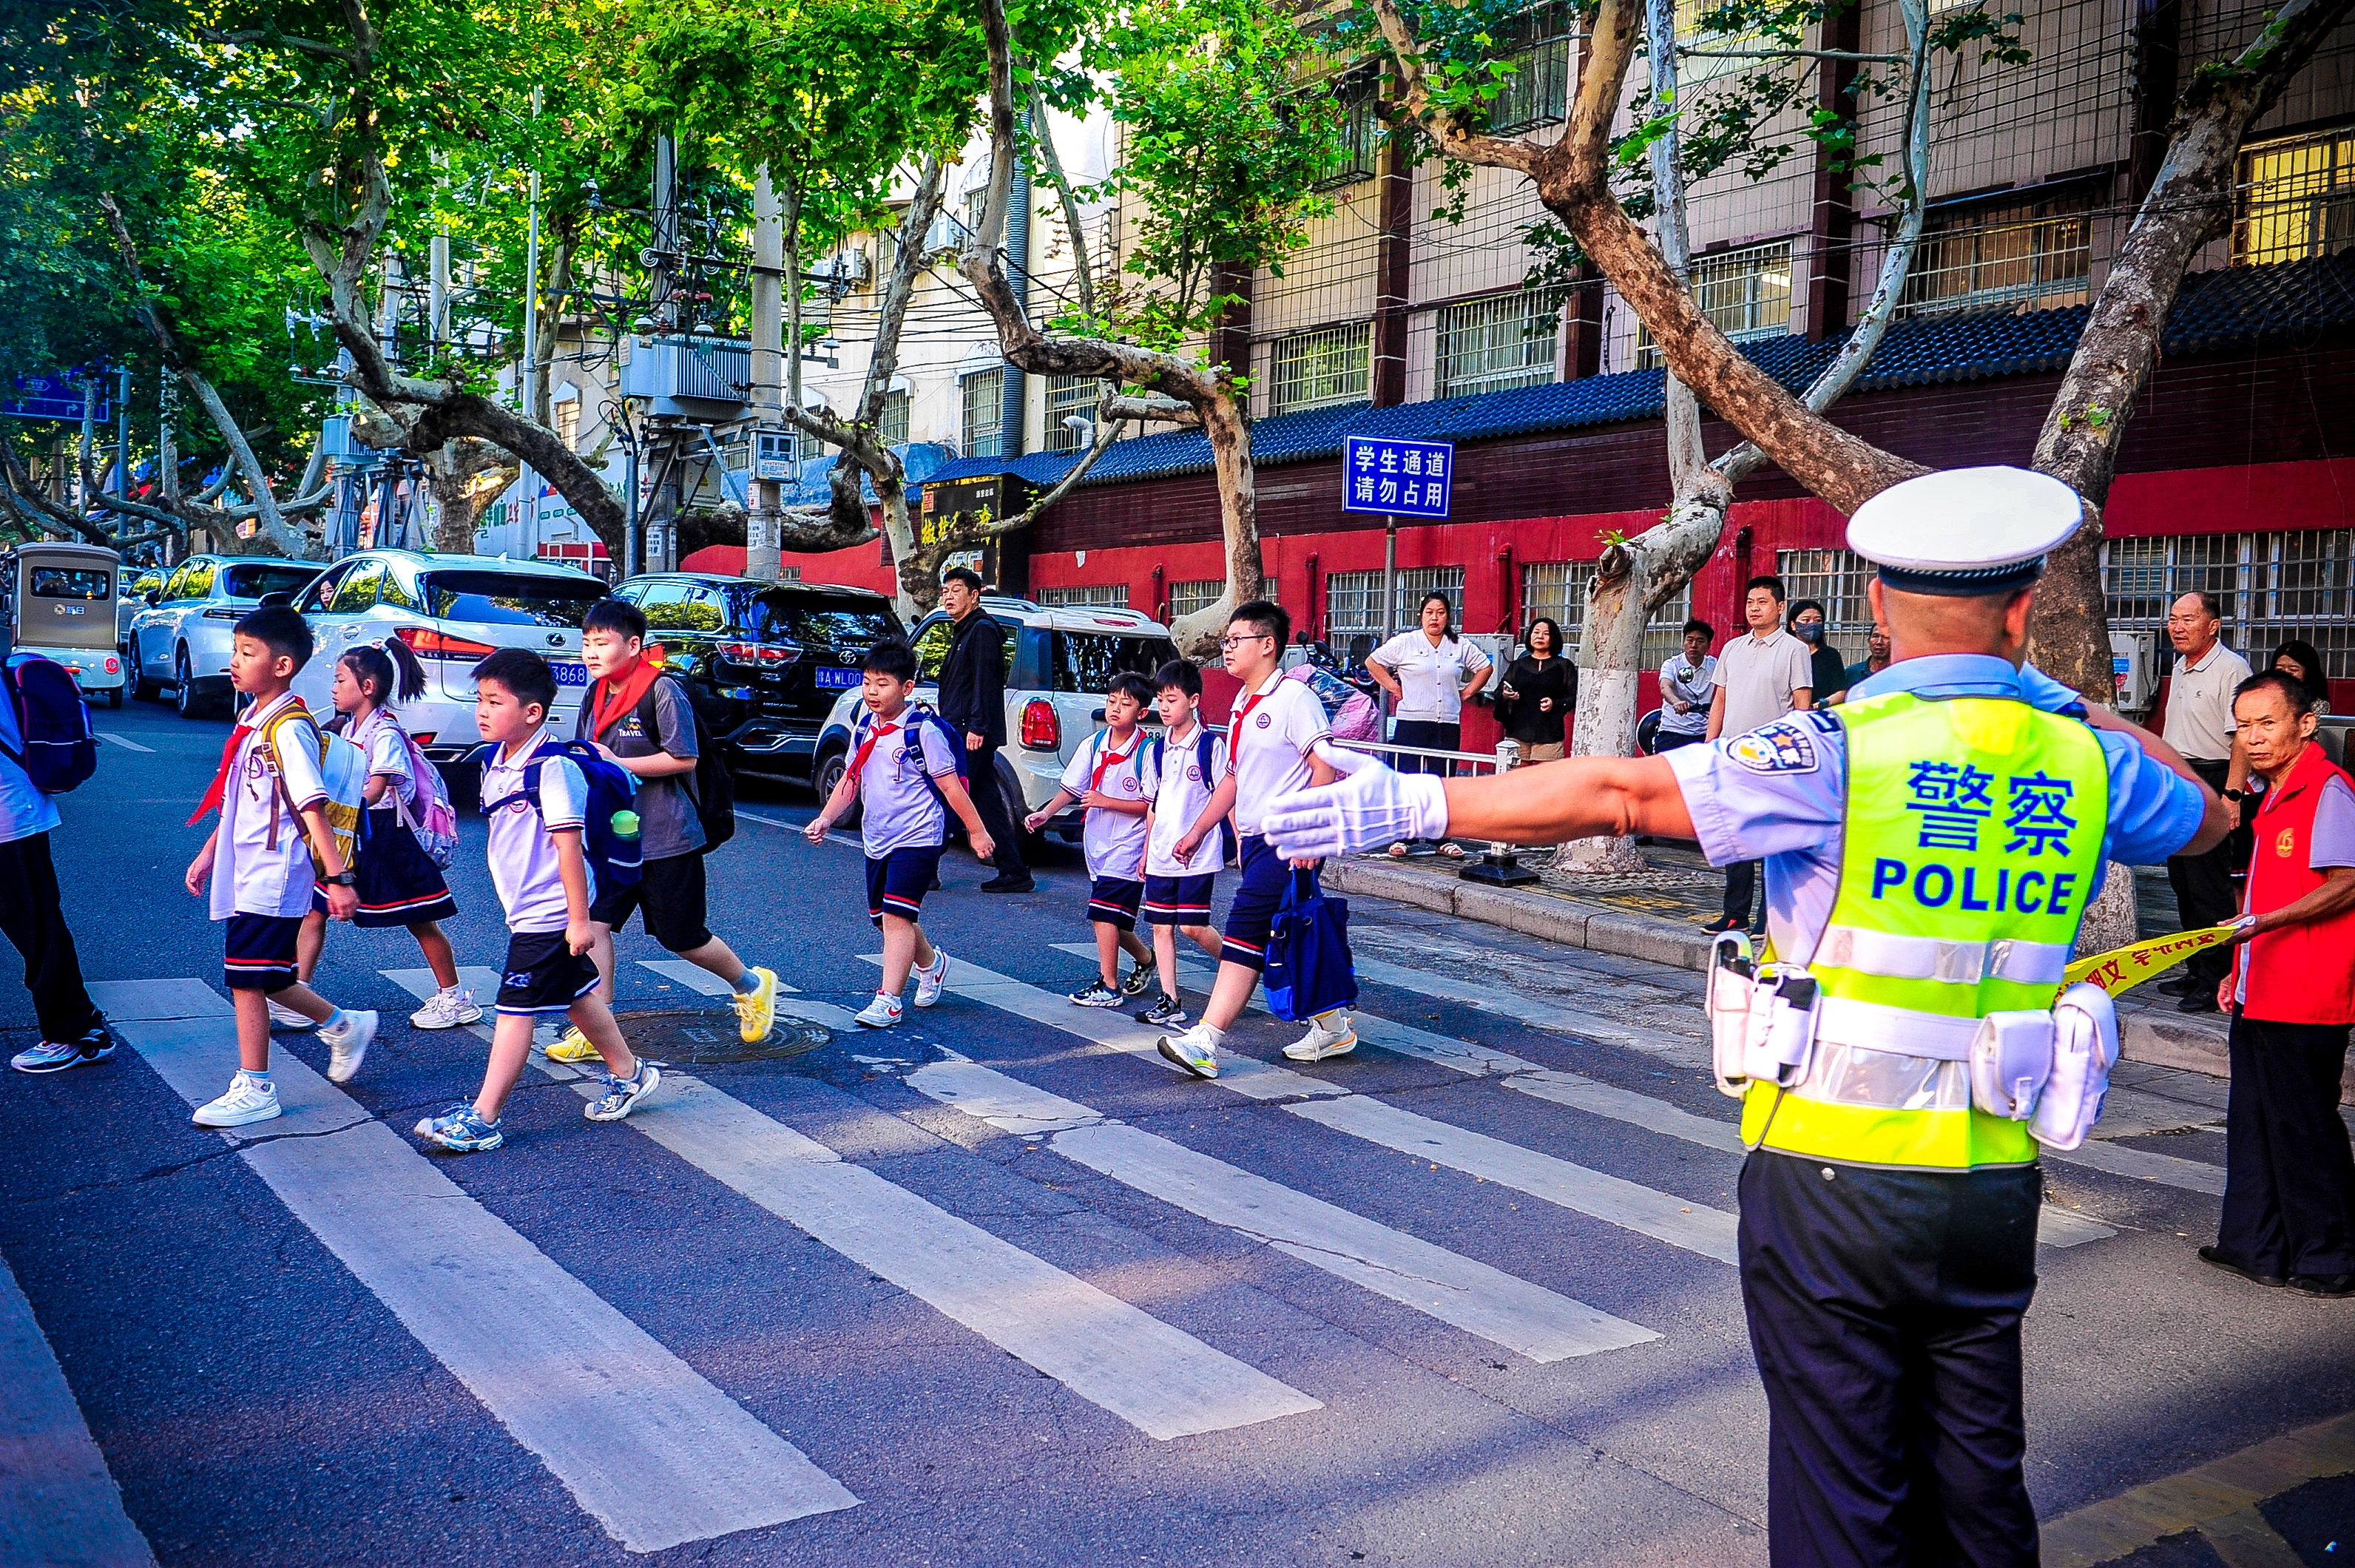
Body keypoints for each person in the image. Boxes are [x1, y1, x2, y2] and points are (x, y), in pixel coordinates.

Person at [1263, 464, 2229, 1568]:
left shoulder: (1839, 750)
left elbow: (1620, 790)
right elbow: (2207, 819)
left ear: (1875, 605)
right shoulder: (2084, 757)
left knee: (1843, 1489)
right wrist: (2067, 701)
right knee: (1978, 1480)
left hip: (1831, 1177)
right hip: (1995, 1177)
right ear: (2022, 613)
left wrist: (1420, 797)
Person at [413, 649, 660, 1153]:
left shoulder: (553, 769)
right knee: (576, 995)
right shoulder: (496, 761)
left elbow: (569, 848)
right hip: (527, 908)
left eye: (495, 702)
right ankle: (630, 1074)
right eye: (480, 700)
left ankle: (484, 1117)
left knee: (514, 1010)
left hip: (550, 912)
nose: (482, 711)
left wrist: (578, 921)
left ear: (532, 712)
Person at [179, 606, 379, 1127]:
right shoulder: (255, 719)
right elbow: (241, 802)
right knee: (267, 976)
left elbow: (311, 805)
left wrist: (337, 878)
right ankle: (344, 1025)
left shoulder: (288, 728)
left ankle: (256, 1087)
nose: (235, 661)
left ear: (283, 665)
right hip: (249, 866)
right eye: (236, 650)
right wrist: (209, 852)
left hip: (275, 871)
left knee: (247, 978)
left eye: (248, 653)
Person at [552, 600, 777, 1060]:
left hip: (667, 838)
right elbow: (591, 756)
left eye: (602, 643)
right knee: (593, 925)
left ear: (634, 645)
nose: (591, 652)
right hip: (614, 838)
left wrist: (618, 763)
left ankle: (752, 985)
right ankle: (597, 1028)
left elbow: (684, 758)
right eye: (586, 643)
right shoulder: (596, 695)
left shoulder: (662, 690)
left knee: (682, 936)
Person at [1156, 600, 1357, 1078]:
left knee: (1245, 927)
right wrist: (1200, 830)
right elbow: (1233, 778)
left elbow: (1325, 766)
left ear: (1267, 645)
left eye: (1235, 640)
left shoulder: (1294, 698)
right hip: (1257, 840)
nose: (1226, 648)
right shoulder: (1243, 704)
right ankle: (1332, 1027)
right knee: (1287, 935)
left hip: (1288, 837)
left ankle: (1206, 1039)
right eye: (1225, 641)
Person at [2203, 669, 2355, 1297]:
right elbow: (2263, 891)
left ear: (2306, 724)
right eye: (2244, 726)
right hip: (2260, 983)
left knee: (2303, 1128)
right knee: (2253, 1119)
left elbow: (2347, 882)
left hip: (2306, 989)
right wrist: (2237, 967)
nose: (2254, 737)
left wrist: (2264, 924)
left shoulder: (2329, 789)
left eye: (2267, 723)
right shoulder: (2270, 794)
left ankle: (2331, 1258)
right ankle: (2256, 1246)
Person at [281, 638, 476, 1033]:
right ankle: (298, 995)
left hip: (388, 837)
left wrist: (341, 802)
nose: (334, 688)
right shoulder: (347, 727)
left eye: (340, 680)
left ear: (367, 687)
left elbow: (378, 786)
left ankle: (454, 997)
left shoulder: (385, 732)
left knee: (420, 918)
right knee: (314, 909)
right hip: (354, 833)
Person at [805, 640, 997, 1029]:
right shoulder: (864, 727)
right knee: (885, 918)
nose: (872, 692)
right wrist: (826, 818)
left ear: (907, 687)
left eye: (883, 684)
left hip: (919, 835)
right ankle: (931, 963)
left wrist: (977, 832)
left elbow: (951, 788)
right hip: (877, 836)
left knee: (896, 915)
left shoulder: (923, 732)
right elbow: (851, 779)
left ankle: (889, 1000)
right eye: (867, 682)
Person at [1, 658, 110, 1074]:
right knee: (36, 926)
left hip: (11, 819)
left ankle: (76, 1031)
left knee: (37, 929)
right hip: (14, 811)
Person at [1024, 670, 1158, 1006]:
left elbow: (1151, 805)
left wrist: (1105, 801)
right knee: (1113, 919)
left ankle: (1108, 986)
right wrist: (1046, 813)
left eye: (1126, 704)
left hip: (1129, 845)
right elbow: (1072, 787)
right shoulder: (1094, 745)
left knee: (1104, 913)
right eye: (1112, 701)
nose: (1116, 709)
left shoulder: (1146, 753)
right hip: (1096, 844)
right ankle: (1146, 959)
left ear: (1142, 712)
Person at [2159, 590, 2253, 1013]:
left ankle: (2216, 977)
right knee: (2182, 882)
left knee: (2209, 886)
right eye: (2173, 619)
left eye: (2188, 619)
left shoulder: (2232, 669)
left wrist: (2232, 795)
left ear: (2212, 626)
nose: (2177, 627)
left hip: (2214, 779)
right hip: (2180, 779)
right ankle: (2195, 968)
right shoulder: (2180, 666)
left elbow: (2241, 740)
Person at [1704, 575, 1814, 933]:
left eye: (1762, 602)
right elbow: (1720, 699)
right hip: (1732, 755)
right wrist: (1710, 745)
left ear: (1780, 608)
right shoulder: (1732, 648)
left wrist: (1797, 756)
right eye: (1750, 602)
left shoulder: (1794, 650)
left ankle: (1770, 917)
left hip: (1774, 760)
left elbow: (1802, 704)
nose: (1754, 608)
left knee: (1772, 841)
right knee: (1735, 839)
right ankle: (1735, 914)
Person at [1135, 660, 1229, 1027]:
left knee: (1192, 926)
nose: (1164, 707)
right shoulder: (1156, 751)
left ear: (1193, 700)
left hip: (1198, 855)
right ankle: (1170, 998)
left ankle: (1239, 965)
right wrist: (1146, 852)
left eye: (1171, 699)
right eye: (1160, 699)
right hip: (1161, 852)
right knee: (1161, 926)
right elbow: (1153, 807)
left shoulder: (1210, 746)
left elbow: (1226, 795)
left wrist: (1239, 840)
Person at [1365, 592, 1492, 858]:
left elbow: (1484, 667)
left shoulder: (1459, 645)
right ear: (1421, 616)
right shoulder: (1407, 642)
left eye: (1441, 612)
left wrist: (1467, 692)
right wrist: (1393, 687)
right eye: (1429, 612)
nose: (1435, 618)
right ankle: (1404, 837)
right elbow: (1373, 662)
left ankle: (1441, 838)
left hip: (1447, 723)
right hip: (1412, 722)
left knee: (1442, 781)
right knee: (1409, 779)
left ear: (1448, 616)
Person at [934, 567, 1031, 892]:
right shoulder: (964, 630)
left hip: (970, 733)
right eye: (946, 591)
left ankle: (923, 866)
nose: (949, 596)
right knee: (985, 800)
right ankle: (1014, 870)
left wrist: (977, 727)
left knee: (949, 794)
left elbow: (986, 684)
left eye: (956, 590)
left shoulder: (982, 631)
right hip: (959, 729)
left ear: (974, 596)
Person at [1494, 617, 1574, 763]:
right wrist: (1506, 695)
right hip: (1517, 734)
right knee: (1517, 776)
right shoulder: (1517, 665)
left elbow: (1573, 698)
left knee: (1545, 777)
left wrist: (1554, 703)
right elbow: (1498, 692)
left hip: (1549, 736)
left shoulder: (1564, 666)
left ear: (1554, 638)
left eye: (1546, 633)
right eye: (1536, 632)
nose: (1540, 636)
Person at [2268, 638, 2339, 766]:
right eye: (2280, 669)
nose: (2286, 674)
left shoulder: (2319, 706)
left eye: (2293, 669)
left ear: (2308, 672)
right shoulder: (2265, 700)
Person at [1654, 619, 1716, 754]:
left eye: (1700, 641)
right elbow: (1665, 687)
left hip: (1704, 733)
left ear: (1708, 645)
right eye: (1690, 640)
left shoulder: (1715, 666)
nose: (1694, 645)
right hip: (1673, 730)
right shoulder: (1672, 664)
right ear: (1684, 643)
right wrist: (1677, 702)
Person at [1789, 598, 1851, 706]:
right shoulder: (1785, 653)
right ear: (1793, 625)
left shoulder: (1830, 656)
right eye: (1806, 620)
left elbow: (1841, 692)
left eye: (1818, 621)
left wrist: (1820, 705)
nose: (1812, 624)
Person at [1843, 624, 1893, 697]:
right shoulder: (1852, 673)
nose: (1879, 642)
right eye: (1875, 636)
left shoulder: (1898, 673)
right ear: (1869, 640)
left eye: (1886, 637)